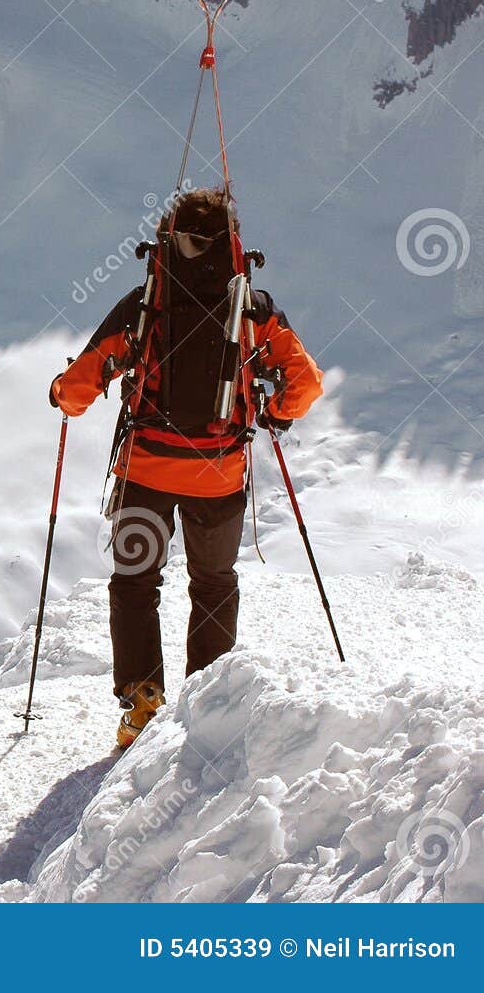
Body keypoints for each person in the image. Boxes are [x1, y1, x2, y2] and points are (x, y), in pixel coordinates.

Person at [49, 187, 324, 748]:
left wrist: (61, 393)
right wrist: (274, 412)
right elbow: (307, 383)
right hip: (218, 476)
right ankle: (208, 703)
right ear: (231, 242)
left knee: (134, 585)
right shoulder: (254, 309)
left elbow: (79, 389)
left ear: (167, 241)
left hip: (145, 474)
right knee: (214, 584)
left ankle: (142, 703)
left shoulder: (143, 303)